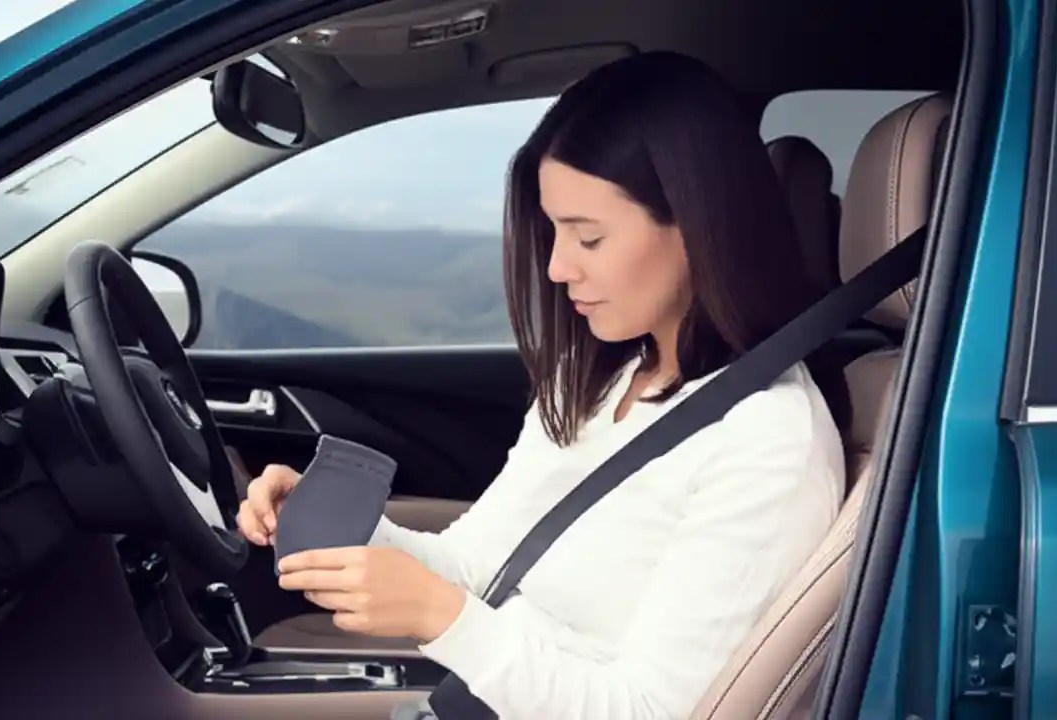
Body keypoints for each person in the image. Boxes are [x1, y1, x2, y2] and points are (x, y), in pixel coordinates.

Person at [235, 51, 849, 719]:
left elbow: (653, 711)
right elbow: (478, 563)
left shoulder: (768, 440)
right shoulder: (598, 378)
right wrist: (339, 529)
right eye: (553, 231)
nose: (556, 267)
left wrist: (446, 620)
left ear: (698, 228)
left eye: (588, 239)